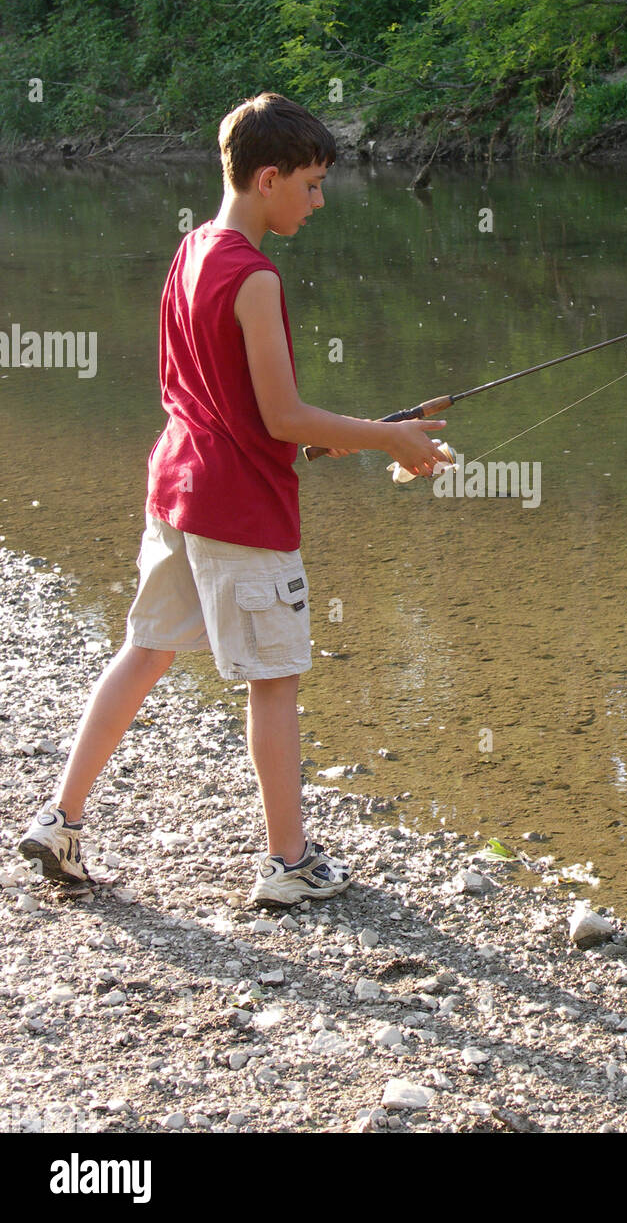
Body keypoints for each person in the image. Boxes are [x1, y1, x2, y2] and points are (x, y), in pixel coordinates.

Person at [19, 92, 451, 907]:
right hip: (241, 512)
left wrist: (357, 433)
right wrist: (389, 438)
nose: (319, 201)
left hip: (177, 489)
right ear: (267, 177)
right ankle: (288, 863)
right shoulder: (256, 278)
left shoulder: (191, 250)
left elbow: (230, 406)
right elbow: (281, 417)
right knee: (274, 681)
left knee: (143, 653)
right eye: (312, 184)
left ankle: (60, 818)